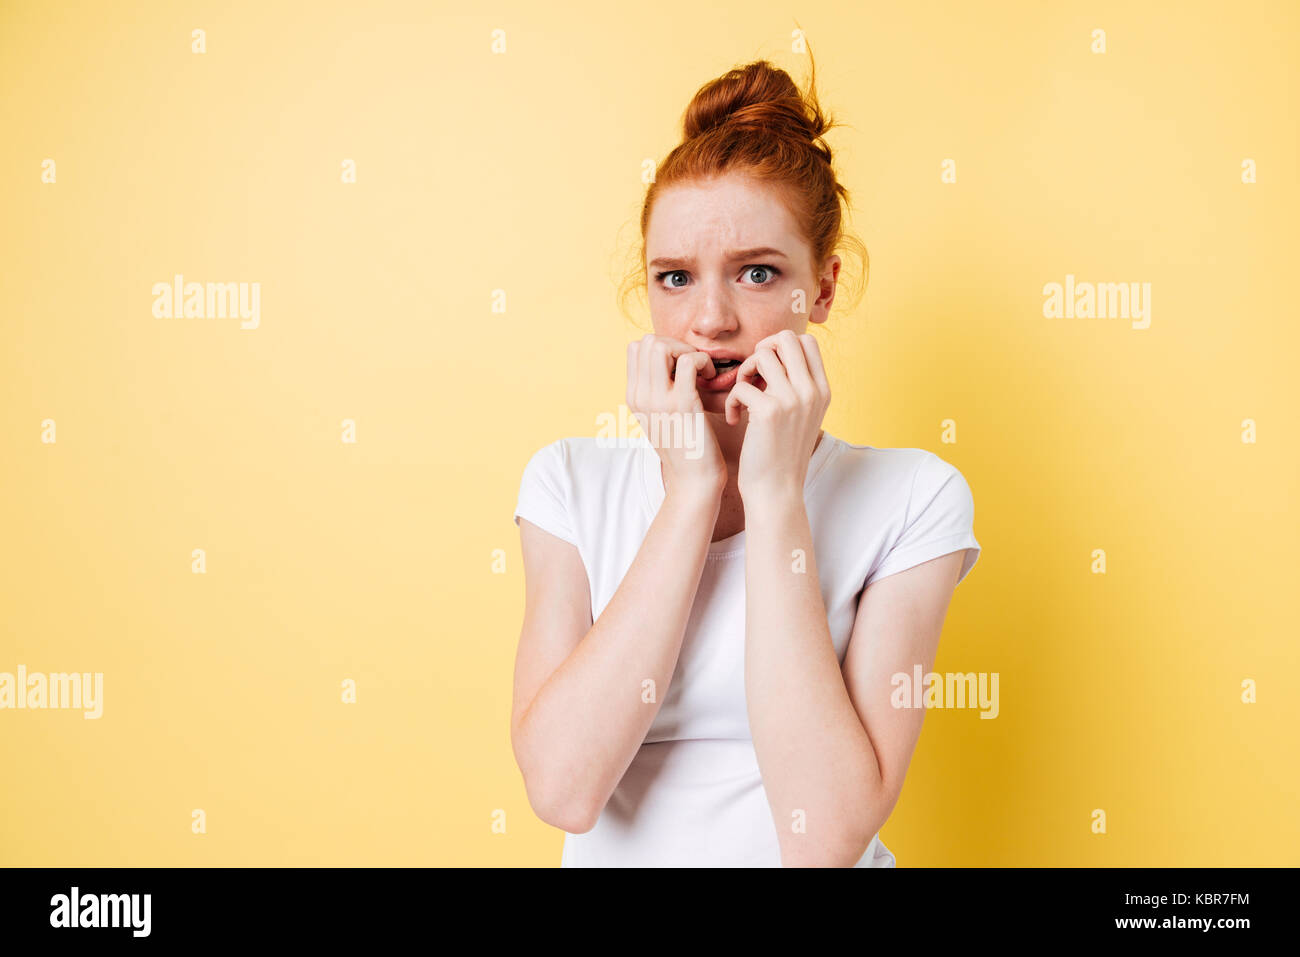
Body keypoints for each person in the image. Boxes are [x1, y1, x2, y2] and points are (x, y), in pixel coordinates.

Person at [510, 53, 981, 867]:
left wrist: (774, 497)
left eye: (757, 272)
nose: (710, 320)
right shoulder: (567, 483)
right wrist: (691, 493)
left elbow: (827, 836)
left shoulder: (914, 498)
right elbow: (562, 789)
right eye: (675, 277)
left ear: (823, 289)